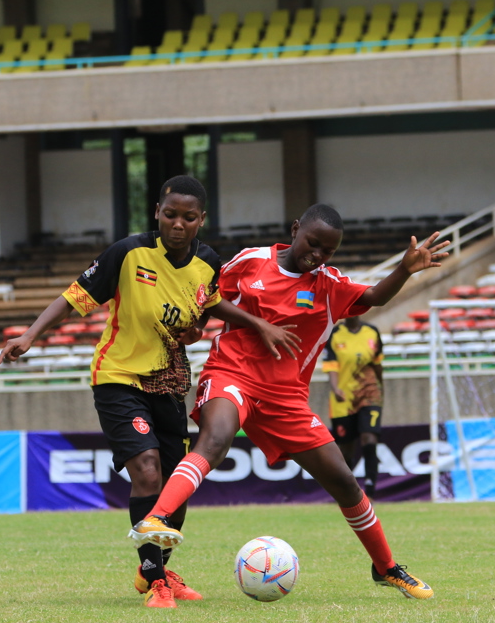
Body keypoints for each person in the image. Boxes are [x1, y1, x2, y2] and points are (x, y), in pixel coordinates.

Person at [0, 176, 299, 609]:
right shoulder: (128, 253)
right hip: (118, 377)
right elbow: (73, 297)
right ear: (157, 212)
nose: (178, 224)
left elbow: (208, 302)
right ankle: (157, 581)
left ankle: (155, 568)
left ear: (201, 220)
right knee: (147, 470)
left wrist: (239, 324)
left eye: (188, 217)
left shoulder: (208, 261)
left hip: (169, 383)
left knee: (178, 481)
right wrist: (29, 335)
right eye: (170, 214)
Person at [131, 203, 449, 599]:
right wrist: (199, 325)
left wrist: (404, 269)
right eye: (313, 243)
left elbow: (374, 297)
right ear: (296, 229)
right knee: (215, 439)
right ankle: (157, 519)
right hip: (232, 373)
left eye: (328, 251)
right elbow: (209, 296)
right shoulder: (251, 261)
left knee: (344, 481)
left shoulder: (328, 285)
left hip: (286, 398)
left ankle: (385, 568)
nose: (317, 255)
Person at [322, 315, 385, 497]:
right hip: (343, 398)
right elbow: (331, 366)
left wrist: (381, 389)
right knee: (346, 448)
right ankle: (350, 493)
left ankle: (370, 492)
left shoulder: (371, 332)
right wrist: (335, 388)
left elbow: (377, 364)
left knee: (369, 438)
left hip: (369, 394)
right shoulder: (334, 334)